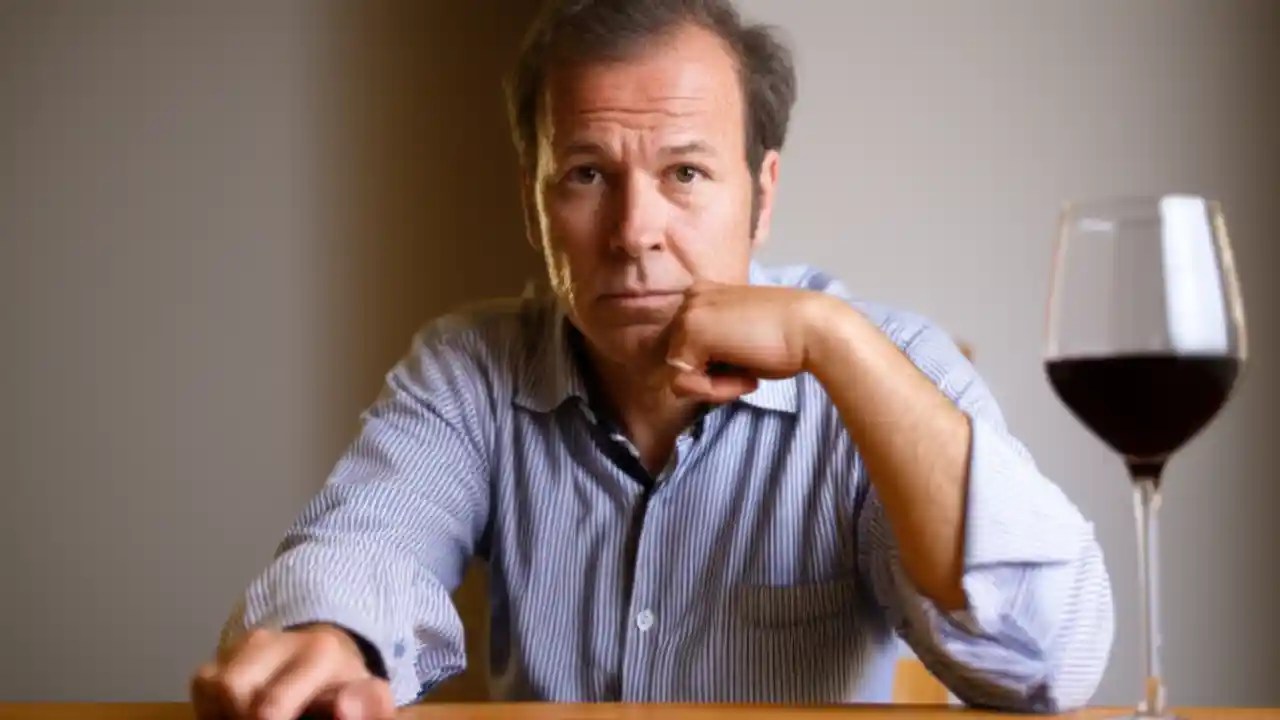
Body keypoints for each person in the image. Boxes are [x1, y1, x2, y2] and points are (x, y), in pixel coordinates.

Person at [190, 1, 1115, 718]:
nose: (635, 233)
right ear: (534, 202)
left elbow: (1050, 663)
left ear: (761, 195)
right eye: (587, 173)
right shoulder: (470, 367)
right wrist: (330, 640)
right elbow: (370, 542)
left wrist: (834, 342)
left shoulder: (885, 364)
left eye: (685, 174)